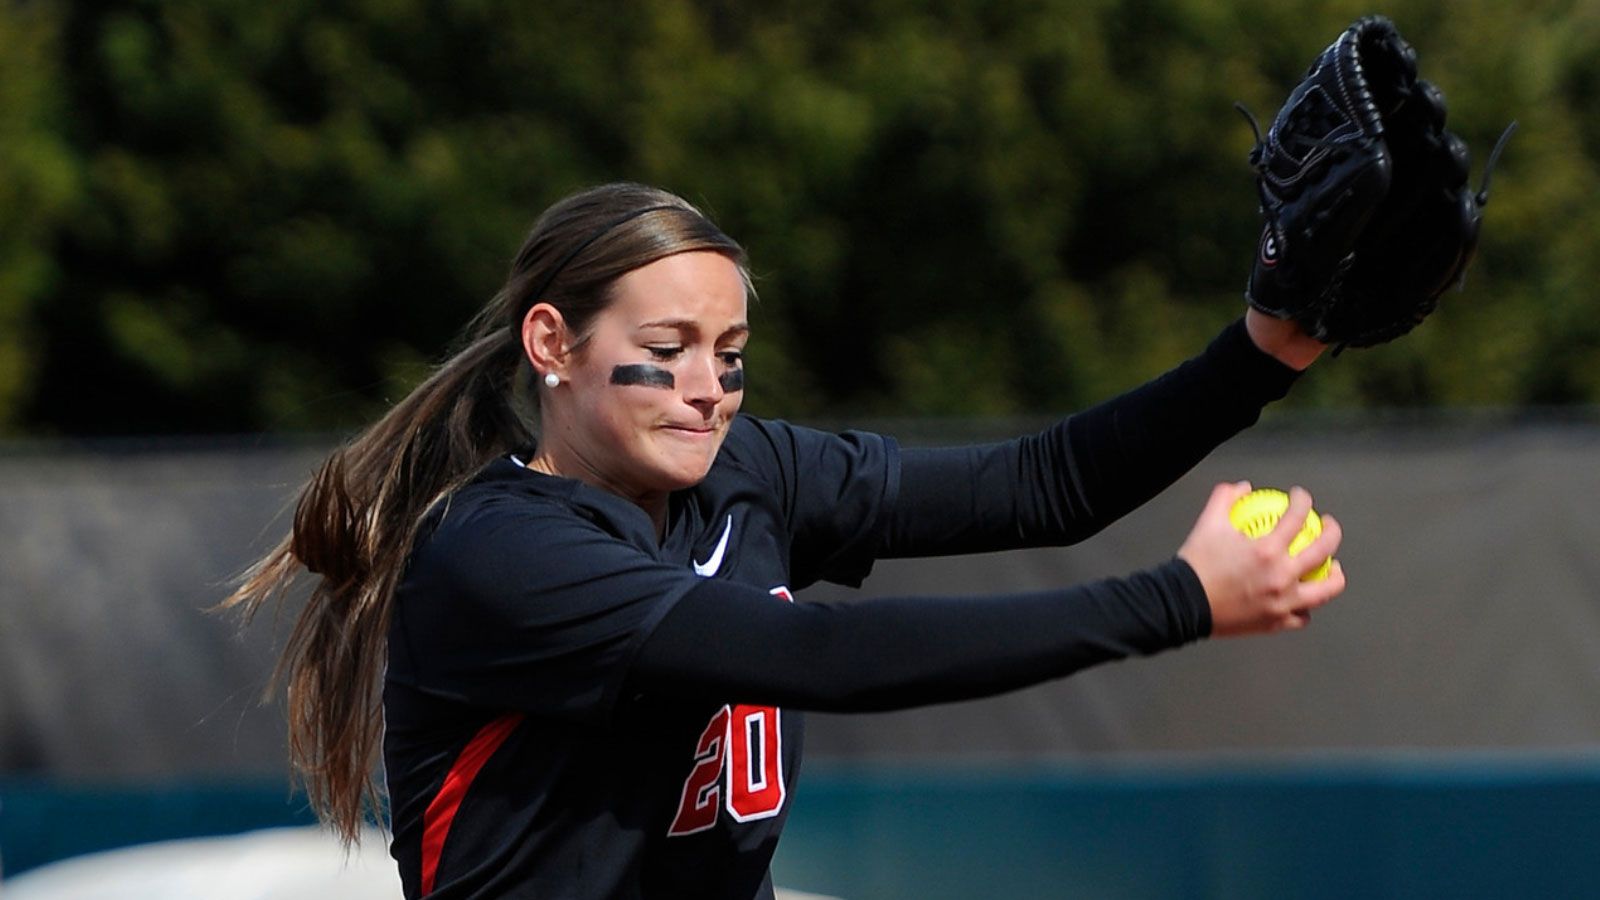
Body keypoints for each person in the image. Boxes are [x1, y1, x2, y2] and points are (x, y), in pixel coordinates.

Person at [225, 181, 1344, 899]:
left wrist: (1263, 353)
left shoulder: (748, 476)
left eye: (731, 349)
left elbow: (1039, 487)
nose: (709, 388)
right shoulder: (501, 553)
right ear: (551, 343)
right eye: (668, 346)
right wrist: (1176, 600)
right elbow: (824, 658)